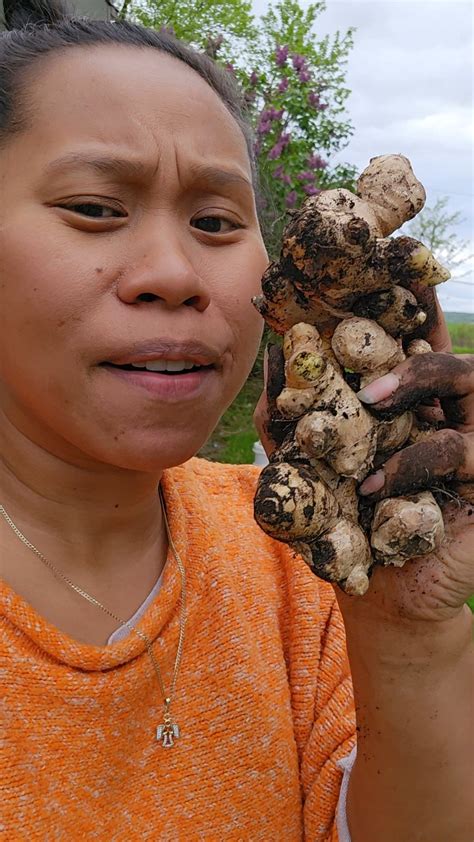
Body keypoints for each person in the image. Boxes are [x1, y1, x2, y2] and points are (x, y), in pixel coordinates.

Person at [0, 1, 472, 839]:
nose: (176, 274)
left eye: (216, 223)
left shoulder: (303, 550)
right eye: (95, 208)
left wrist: (409, 638)